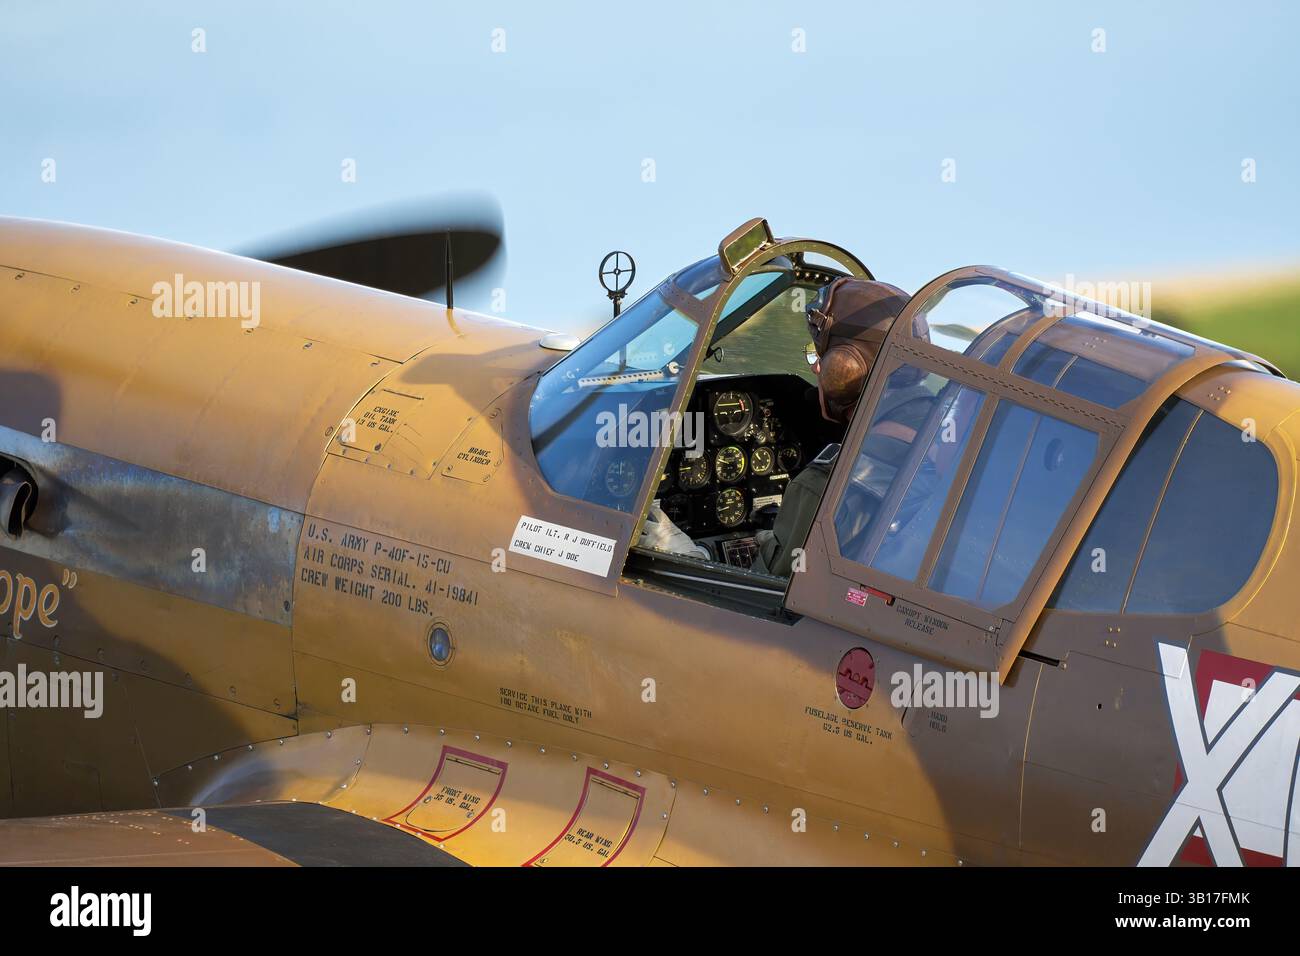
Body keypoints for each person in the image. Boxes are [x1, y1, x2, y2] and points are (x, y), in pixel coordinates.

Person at [752, 278, 911, 576]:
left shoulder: (825, 487)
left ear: (844, 366)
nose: (815, 368)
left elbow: (765, 594)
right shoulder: (953, 449)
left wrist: (692, 555)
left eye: (820, 355)